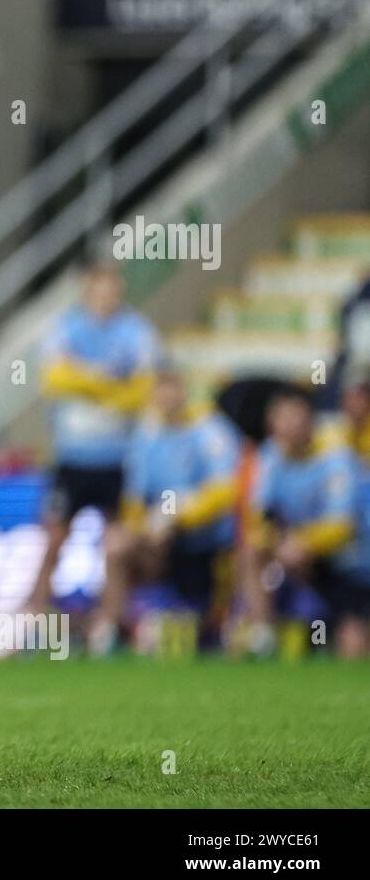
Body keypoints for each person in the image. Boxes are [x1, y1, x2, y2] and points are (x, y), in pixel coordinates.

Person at [22, 261, 160, 615]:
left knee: (116, 543)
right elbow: (53, 379)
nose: (107, 297)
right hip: (72, 457)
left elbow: (144, 390)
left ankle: (110, 621)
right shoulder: (65, 327)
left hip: (118, 457)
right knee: (54, 537)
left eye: (113, 290)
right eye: (100, 289)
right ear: (88, 291)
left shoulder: (136, 330)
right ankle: (36, 613)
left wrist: (83, 380)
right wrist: (108, 385)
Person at [101, 367, 240, 653]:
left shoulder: (211, 430)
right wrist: (149, 525)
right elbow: (134, 502)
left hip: (208, 539)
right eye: (160, 393)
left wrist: (178, 513)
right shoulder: (146, 435)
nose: (167, 399)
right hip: (160, 541)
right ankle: (112, 630)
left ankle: (240, 628)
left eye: (172, 391)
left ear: (184, 392)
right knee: (115, 543)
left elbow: (226, 491)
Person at [240, 387, 369, 658]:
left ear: (309, 420)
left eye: (293, 418)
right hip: (300, 557)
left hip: (349, 563)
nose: (286, 427)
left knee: (353, 648)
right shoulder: (269, 457)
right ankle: (264, 635)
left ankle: (336, 628)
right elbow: (260, 514)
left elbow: (341, 526)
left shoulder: (337, 458)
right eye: (280, 419)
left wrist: (302, 541)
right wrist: (277, 540)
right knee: (251, 550)